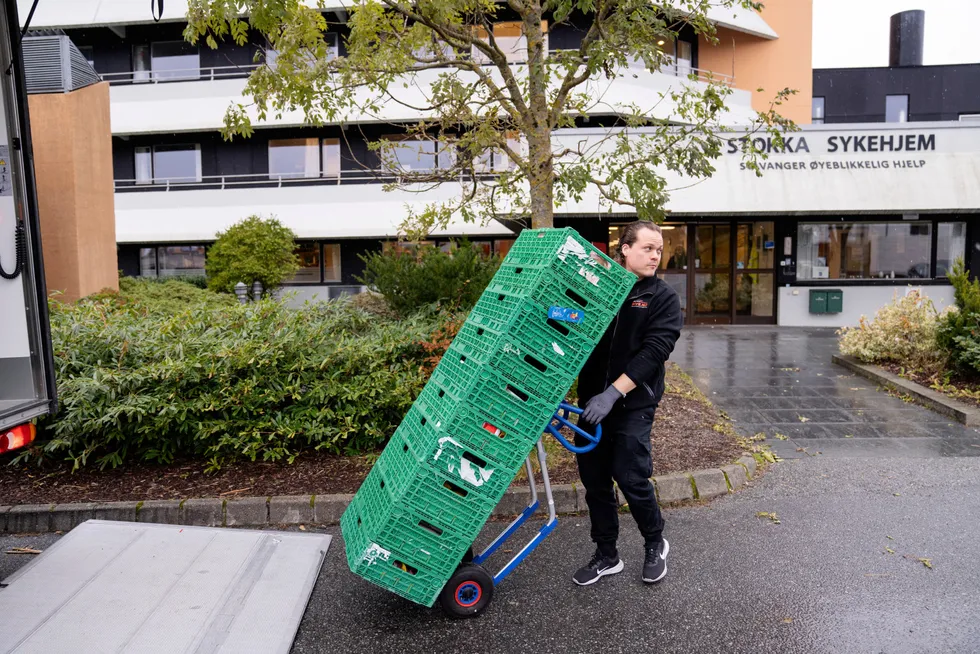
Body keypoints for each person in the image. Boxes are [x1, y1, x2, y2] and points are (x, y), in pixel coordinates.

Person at [572, 220, 683, 586]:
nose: (655, 255)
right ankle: (607, 554)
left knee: (631, 475)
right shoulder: (602, 290)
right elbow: (574, 333)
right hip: (591, 403)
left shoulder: (662, 298)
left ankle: (655, 542)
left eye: (658, 250)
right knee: (595, 480)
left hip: (633, 404)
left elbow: (654, 352)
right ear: (625, 249)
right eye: (648, 248)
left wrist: (614, 392)